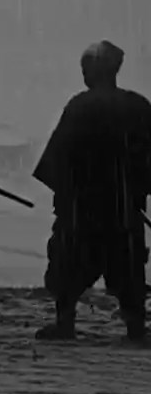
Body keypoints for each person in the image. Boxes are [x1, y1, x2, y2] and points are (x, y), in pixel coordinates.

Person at [32, 41, 150, 342]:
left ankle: (65, 323)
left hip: (83, 208)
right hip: (123, 208)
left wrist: (64, 194)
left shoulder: (80, 106)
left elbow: (59, 155)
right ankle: (135, 327)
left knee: (68, 264)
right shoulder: (138, 106)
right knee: (128, 268)